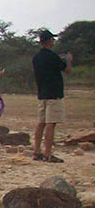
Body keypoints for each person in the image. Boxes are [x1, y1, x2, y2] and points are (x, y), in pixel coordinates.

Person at [32, 29, 73, 163]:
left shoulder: (36, 57)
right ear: (49, 41)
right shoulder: (52, 56)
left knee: (41, 123)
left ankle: (36, 151)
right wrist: (69, 60)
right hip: (54, 93)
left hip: (42, 93)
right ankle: (48, 153)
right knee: (51, 123)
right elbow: (67, 70)